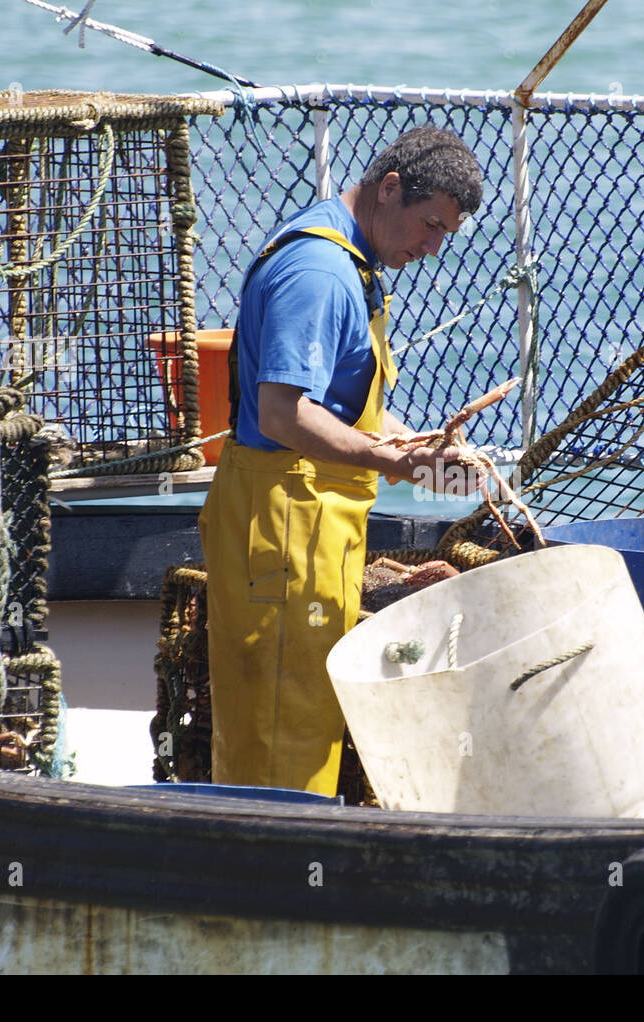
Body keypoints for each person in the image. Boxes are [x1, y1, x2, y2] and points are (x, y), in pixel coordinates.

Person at [199, 125, 484, 794]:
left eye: (446, 235)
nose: (431, 247)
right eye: (429, 224)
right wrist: (397, 466)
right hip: (284, 536)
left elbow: (340, 407)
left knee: (298, 725)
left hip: (306, 533)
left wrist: (422, 449)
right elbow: (283, 415)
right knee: (282, 744)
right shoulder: (322, 273)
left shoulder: (350, 255)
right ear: (390, 189)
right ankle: (278, 881)